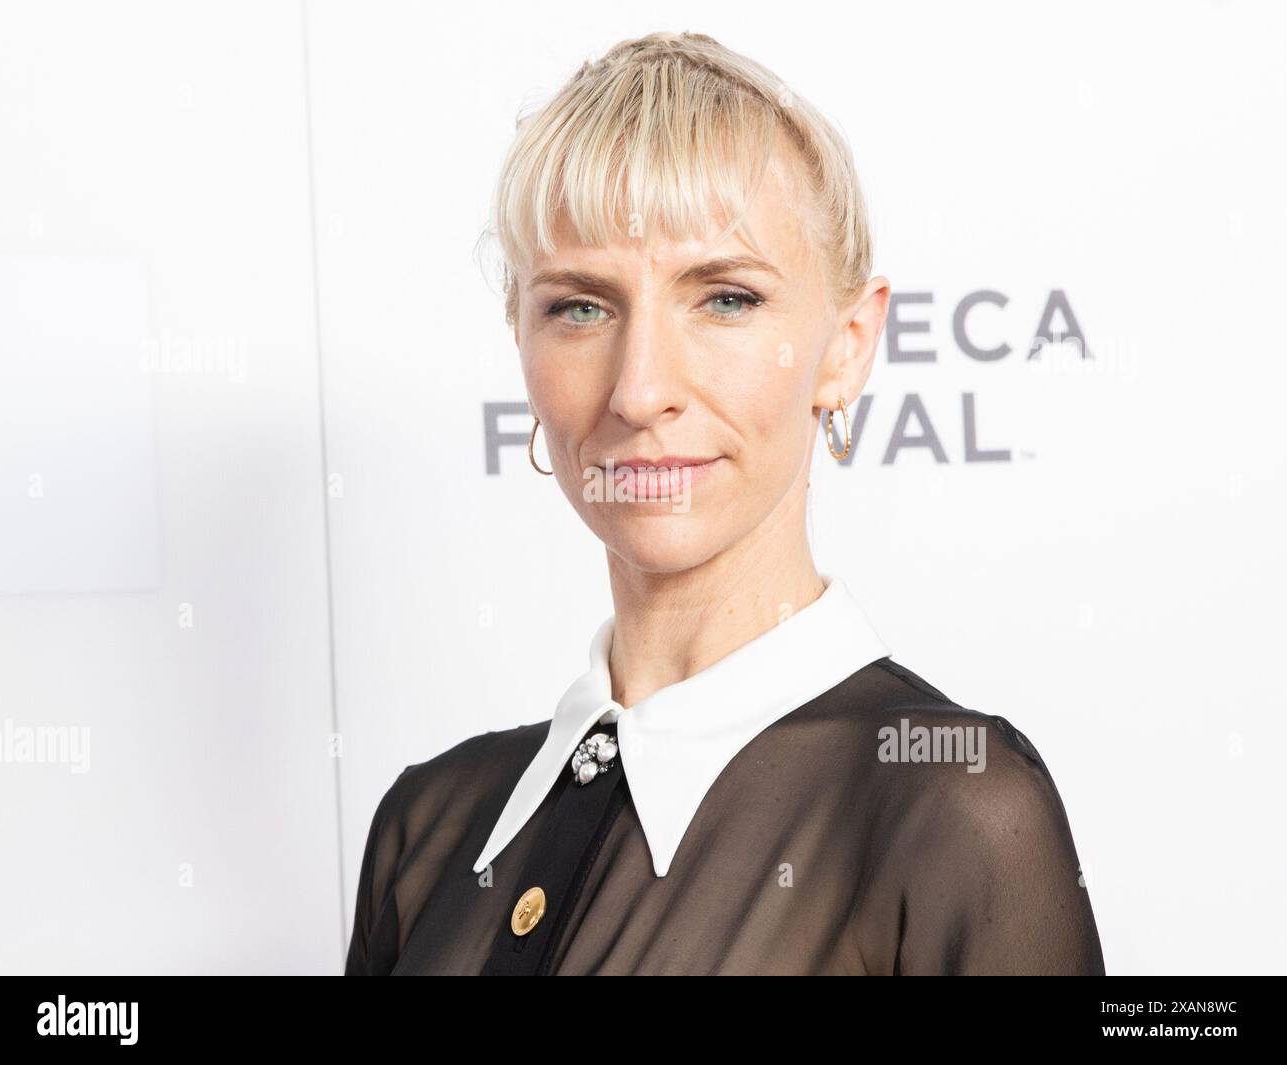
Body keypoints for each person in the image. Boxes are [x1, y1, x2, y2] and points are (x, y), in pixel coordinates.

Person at [345, 30, 1105, 976]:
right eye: (580, 306)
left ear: (847, 344)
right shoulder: (429, 828)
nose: (638, 390)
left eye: (726, 299)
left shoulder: (950, 805)